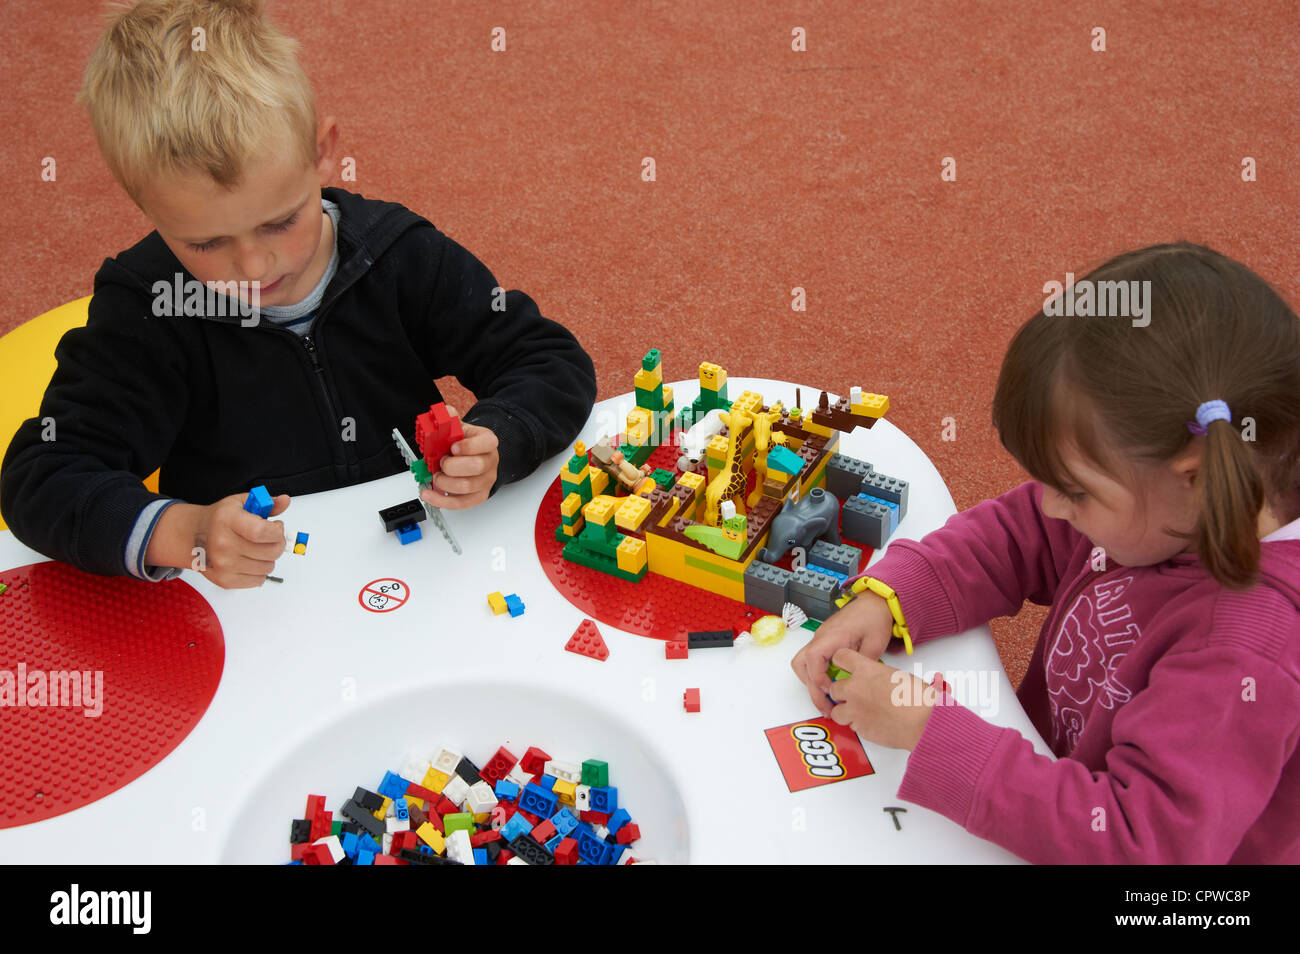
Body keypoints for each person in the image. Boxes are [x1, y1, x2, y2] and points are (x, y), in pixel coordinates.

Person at [0, 0, 596, 589]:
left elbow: (547, 360)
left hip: (416, 565)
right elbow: (43, 476)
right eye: (206, 243)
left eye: (280, 222)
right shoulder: (147, 311)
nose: (255, 266)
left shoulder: (398, 254)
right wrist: (186, 532)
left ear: (321, 151)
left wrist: (499, 438)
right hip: (255, 603)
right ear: (148, 209)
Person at [792, 242, 1300, 862]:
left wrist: (929, 734)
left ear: (1191, 474)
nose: (1053, 507)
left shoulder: (1245, 655)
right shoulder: (1157, 506)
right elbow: (1019, 534)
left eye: (1075, 492)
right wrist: (891, 597)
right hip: (1046, 786)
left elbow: (1141, 845)